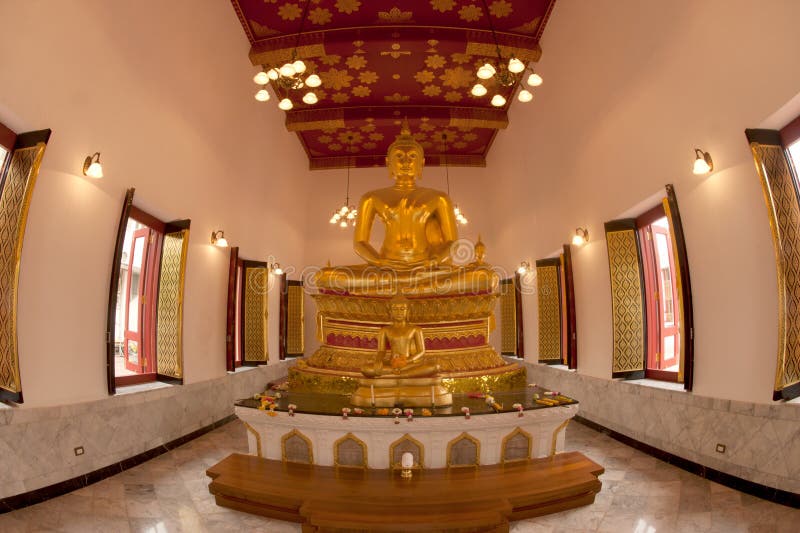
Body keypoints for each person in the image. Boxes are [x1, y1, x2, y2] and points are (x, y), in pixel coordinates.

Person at [362, 295, 439, 378]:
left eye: (402, 309)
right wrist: (378, 361)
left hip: (410, 363)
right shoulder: (385, 330)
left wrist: (408, 361)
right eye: (395, 309)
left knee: (435, 366)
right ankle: (400, 373)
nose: (399, 312)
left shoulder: (416, 329)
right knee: (365, 368)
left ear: (408, 311)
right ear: (390, 312)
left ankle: (397, 374)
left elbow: (421, 351)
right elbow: (381, 351)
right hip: (392, 363)